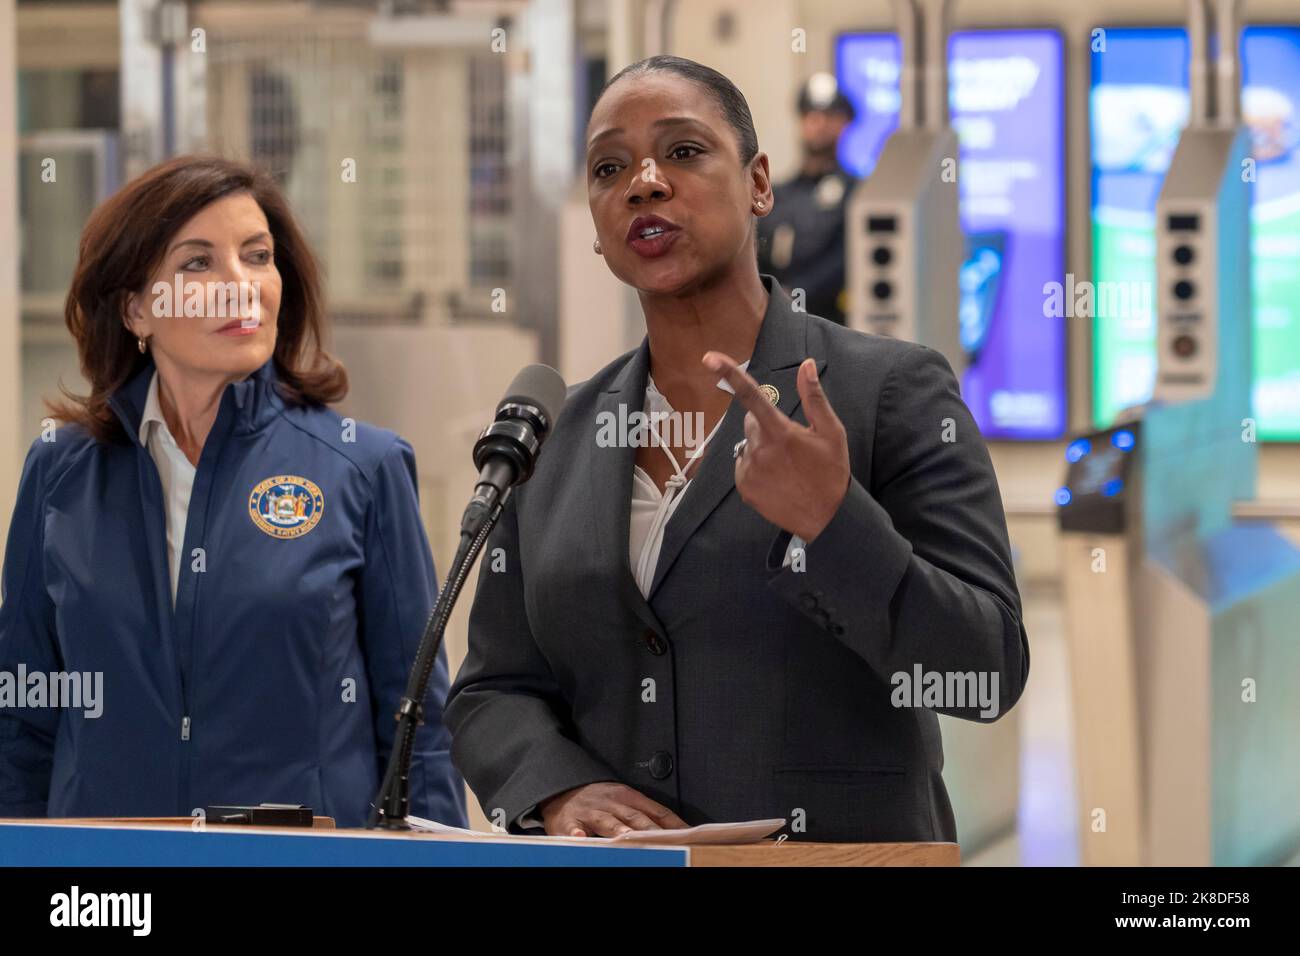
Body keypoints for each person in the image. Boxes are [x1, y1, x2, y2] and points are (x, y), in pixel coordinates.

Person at [445, 55, 1029, 843]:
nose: (643, 183)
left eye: (683, 151)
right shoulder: (555, 435)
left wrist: (833, 525)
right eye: (609, 167)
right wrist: (556, 790)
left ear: (760, 184)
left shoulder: (888, 393)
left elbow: (986, 671)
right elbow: (494, 687)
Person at [0, 155, 466, 828]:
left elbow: (418, 731)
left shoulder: (364, 467)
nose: (239, 286)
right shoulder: (59, 471)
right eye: (198, 264)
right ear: (136, 308)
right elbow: (21, 719)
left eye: (257, 256)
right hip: (111, 890)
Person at [756, 72, 858, 325]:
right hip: (774, 320)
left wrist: (795, 294)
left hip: (831, 322)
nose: (819, 124)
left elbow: (845, 258)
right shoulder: (778, 192)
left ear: (844, 122)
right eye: (811, 115)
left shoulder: (856, 193)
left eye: (829, 116)